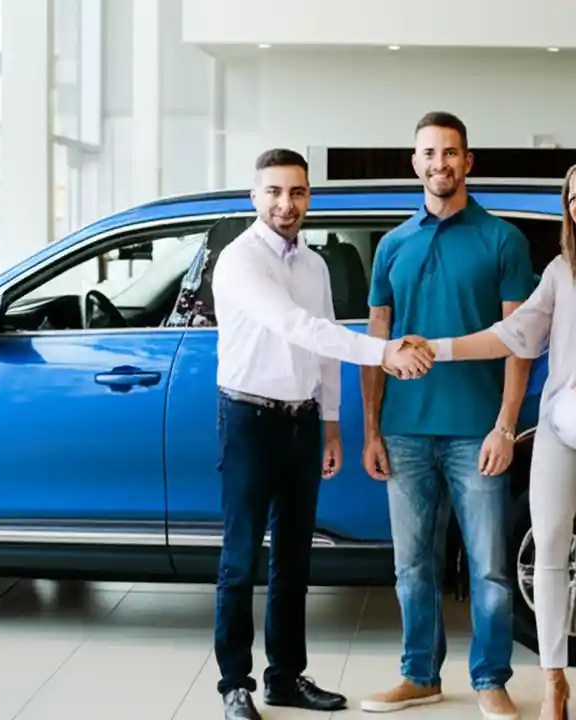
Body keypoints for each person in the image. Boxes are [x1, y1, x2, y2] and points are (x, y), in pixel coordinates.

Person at [210, 148, 436, 720]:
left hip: (302, 422)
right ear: (254, 196)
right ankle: (234, 682)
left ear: (309, 196)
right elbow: (295, 326)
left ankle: (284, 678)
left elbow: (324, 346)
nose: (287, 204)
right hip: (249, 418)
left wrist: (331, 421)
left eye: (298, 192)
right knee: (240, 559)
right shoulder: (241, 261)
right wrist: (384, 352)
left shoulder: (313, 265)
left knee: (294, 559)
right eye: (275, 192)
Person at [422, 155, 576, 720]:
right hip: (557, 420)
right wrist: (439, 348)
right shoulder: (562, 269)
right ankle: (553, 681)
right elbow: (516, 333)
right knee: (548, 546)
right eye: (572, 198)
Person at [359, 112, 536, 720]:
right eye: (429, 153)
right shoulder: (392, 244)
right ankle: (419, 675)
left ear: (469, 161)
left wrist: (505, 425)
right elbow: (375, 341)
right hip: (405, 432)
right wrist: (372, 429)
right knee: (412, 566)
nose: (441, 163)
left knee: (488, 568)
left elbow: (520, 340)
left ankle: (490, 679)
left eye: (451, 152)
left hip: (476, 432)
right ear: (415, 163)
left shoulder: (502, 240)